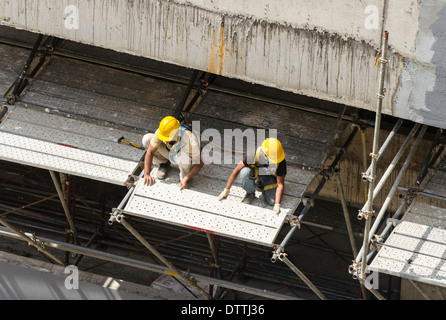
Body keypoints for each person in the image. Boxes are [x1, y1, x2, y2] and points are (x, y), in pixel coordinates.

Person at [218, 138, 286, 214]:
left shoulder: (280, 161)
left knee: (272, 201)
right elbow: (236, 171)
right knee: (244, 173)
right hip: (255, 171)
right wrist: (226, 189)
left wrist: (277, 204)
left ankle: (262, 184)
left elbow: (280, 184)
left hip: (268, 176)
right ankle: (250, 193)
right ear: (265, 154)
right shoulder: (252, 154)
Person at [142, 116, 203, 190]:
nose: (166, 140)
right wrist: (147, 174)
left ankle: (185, 178)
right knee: (147, 139)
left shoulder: (190, 140)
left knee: (182, 157)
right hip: (173, 152)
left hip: (187, 158)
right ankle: (164, 164)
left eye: (168, 138)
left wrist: (186, 178)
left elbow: (199, 163)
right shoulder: (163, 132)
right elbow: (150, 152)